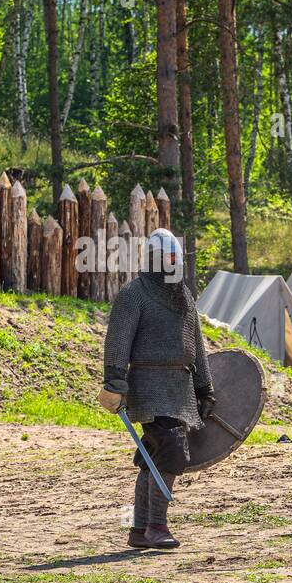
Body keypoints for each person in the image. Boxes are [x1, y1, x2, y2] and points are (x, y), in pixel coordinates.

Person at [98, 229, 214, 550]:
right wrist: (115, 382)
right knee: (172, 452)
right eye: (168, 258)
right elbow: (117, 342)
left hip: (179, 387)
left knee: (153, 455)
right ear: (154, 259)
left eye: (176, 258)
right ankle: (157, 526)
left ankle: (138, 530)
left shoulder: (183, 295)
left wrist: (205, 388)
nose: (173, 263)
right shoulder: (133, 294)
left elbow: (197, 346)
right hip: (149, 388)